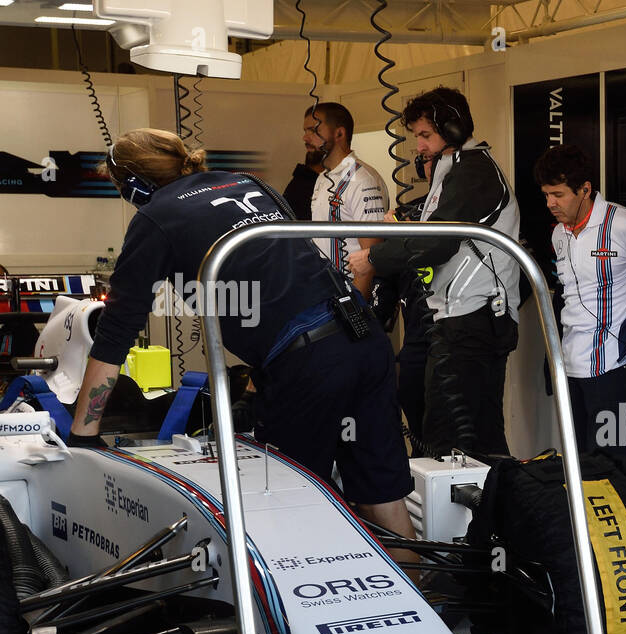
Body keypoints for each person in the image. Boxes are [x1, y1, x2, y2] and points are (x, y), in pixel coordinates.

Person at [69, 128, 419, 556]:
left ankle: (296, 614)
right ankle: (425, 602)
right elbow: (281, 275)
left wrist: (83, 437)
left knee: (290, 502)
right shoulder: (246, 182)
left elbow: (114, 334)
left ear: (134, 185)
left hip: (309, 363)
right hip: (362, 337)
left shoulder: (154, 217)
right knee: (382, 494)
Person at [348, 87, 520, 460]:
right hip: (463, 317)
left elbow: (436, 243)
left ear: (454, 129)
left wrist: (374, 257)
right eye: (417, 137)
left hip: (474, 319)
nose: (419, 147)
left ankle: (465, 518)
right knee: (477, 437)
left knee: (450, 441)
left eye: (425, 135)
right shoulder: (456, 170)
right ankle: (498, 513)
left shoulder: (473, 169)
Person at [534, 144, 626, 459]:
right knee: (576, 465)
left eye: (558, 194)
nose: (550, 203)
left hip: (616, 366)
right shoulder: (558, 234)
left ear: (585, 190)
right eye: (546, 195)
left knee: (614, 468)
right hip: (568, 367)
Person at [303, 102, 389, 297]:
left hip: (351, 296)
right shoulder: (322, 178)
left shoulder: (362, 179)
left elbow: (371, 256)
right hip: (327, 294)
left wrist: (356, 314)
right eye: (305, 131)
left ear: (339, 134)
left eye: (313, 130)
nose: (305, 138)